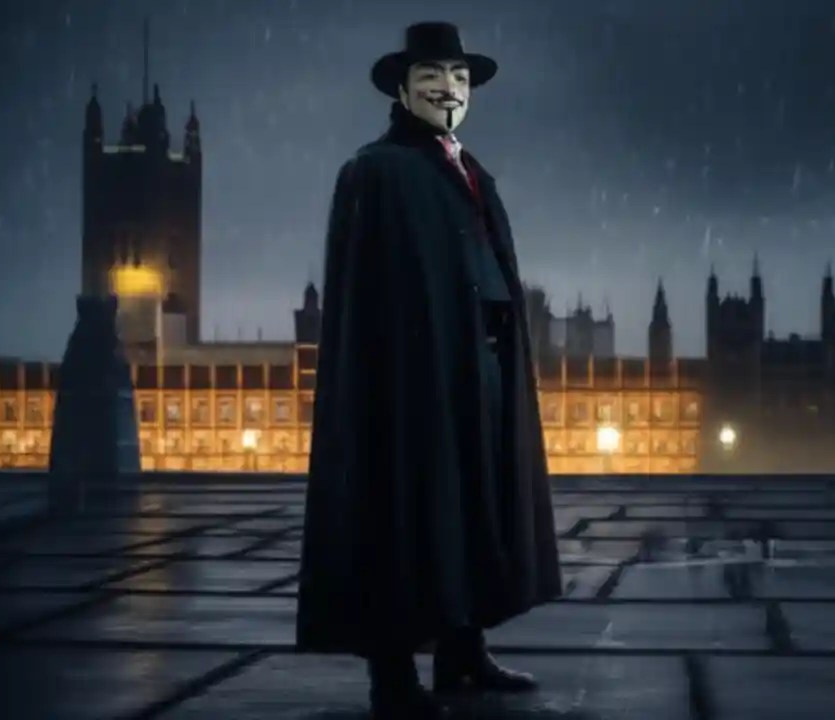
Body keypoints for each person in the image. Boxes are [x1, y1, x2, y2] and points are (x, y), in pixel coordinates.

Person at [295, 21, 562, 718]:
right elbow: (367, 294)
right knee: (403, 512)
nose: (449, 89)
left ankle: (462, 651)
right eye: (432, 76)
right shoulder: (376, 171)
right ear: (403, 90)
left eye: (459, 78)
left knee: (470, 506)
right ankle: (392, 679)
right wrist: (395, 372)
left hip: (480, 373)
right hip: (411, 381)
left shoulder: (472, 172)